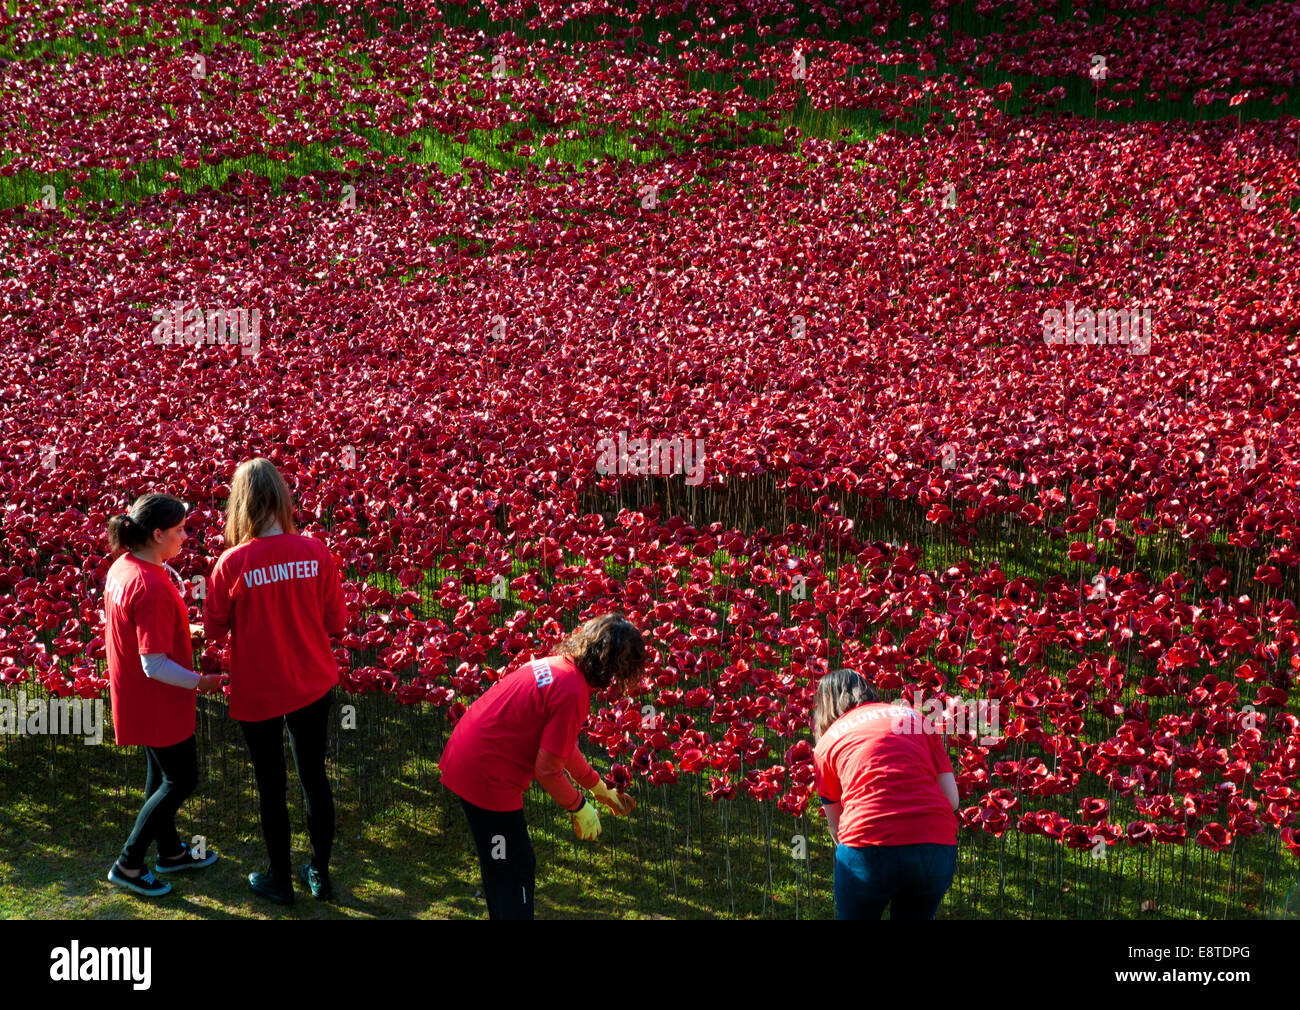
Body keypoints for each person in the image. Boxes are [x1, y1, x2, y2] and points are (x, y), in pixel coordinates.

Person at [204, 458, 347, 906]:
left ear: (240, 504)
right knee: (313, 779)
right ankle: (320, 874)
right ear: (283, 500)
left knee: (271, 784)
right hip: (311, 682)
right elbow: (335, 621)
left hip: (259, 688)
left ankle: (280, 879)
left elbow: (214, 630)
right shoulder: (315, 551)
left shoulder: (231, 564)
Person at [438, 613, 645, 920]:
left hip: (469, 757)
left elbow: (562, 747)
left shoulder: (559, 668)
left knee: (503, 866)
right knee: (513, 868)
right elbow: (547, 770)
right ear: (613, 667)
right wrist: (580, 808)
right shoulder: (573, 692)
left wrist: (599, 789)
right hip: (486, 774)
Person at [103, 493, 224, 897]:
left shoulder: (124, 566)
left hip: (138, 696)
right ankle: (128, 863)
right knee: (181, 779)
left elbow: (138, 633)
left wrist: (181, 634)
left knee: (159, 777)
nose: (185, 537)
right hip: (158, 699)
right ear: (156, 534)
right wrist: (200, 682)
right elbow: (153, 664)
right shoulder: (150, 583)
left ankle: (171, 854)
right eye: (179, 530)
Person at [812, 668, 960, 920]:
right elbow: (952, 800)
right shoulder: (917, 718)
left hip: (867, 847)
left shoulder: (827, 743)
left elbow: (837, 827)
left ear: (824, 706)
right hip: (934, 845)